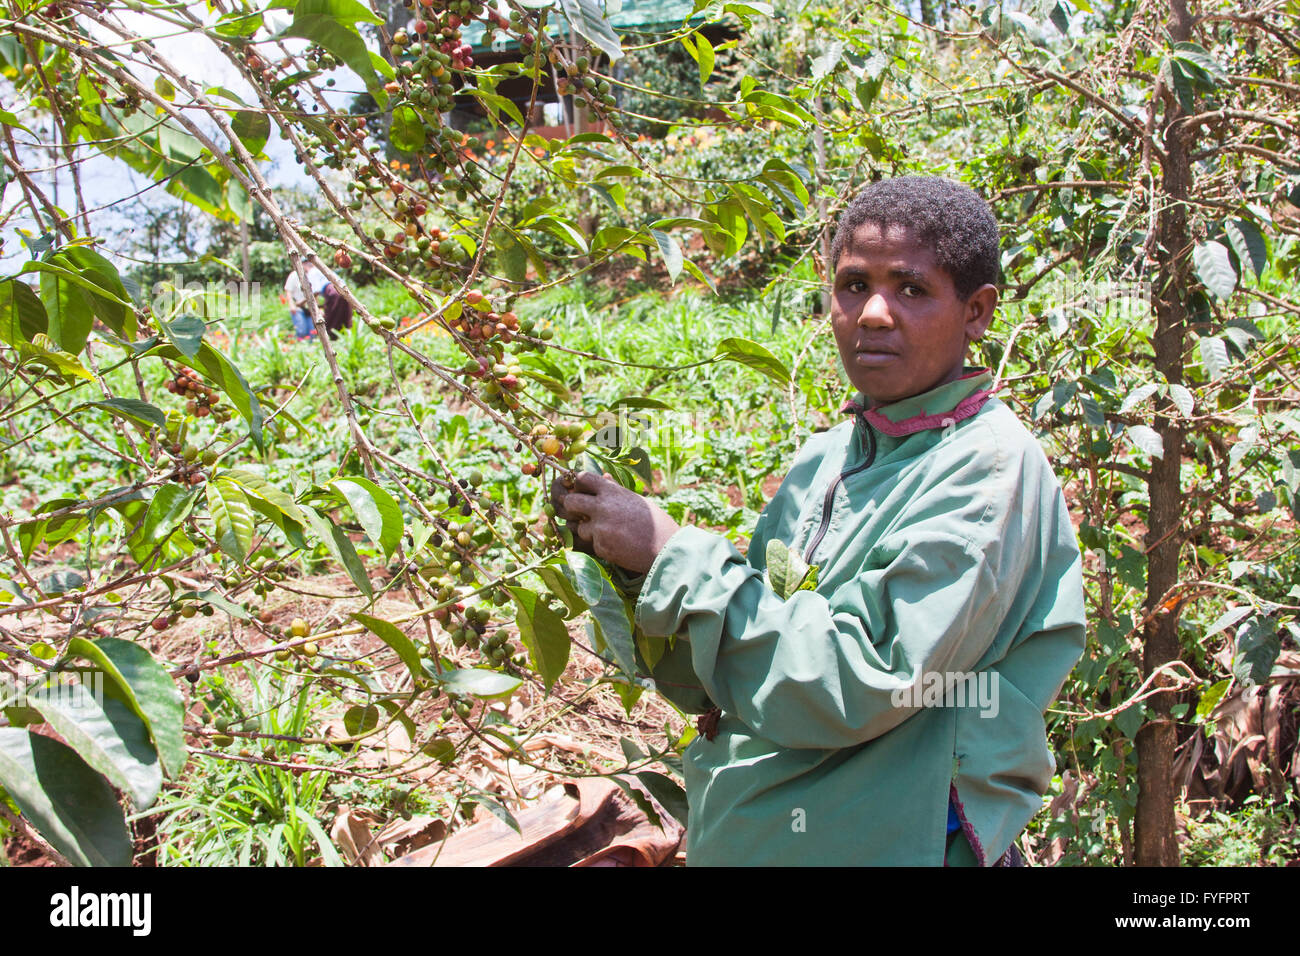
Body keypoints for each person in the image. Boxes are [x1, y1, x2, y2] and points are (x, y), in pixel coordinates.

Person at [556, 176, 1086, 866]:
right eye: (854, 285)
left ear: (978, 311)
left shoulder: (987, 471)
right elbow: (729, 671)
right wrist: (628, 571)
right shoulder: (828, 459)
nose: (872, 313)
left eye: (912, 290)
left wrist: (673, 555)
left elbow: (857, 683)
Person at [283, 265, 325, 340]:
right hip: (298, 307)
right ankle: (300, 347)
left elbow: (315, 294)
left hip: (310, 308)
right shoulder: (293, 275)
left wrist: (318, 309)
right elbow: (288, 291)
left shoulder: (311, 275)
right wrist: (291, 305)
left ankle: (310, 349)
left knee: (312, 332)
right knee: (302, 330)